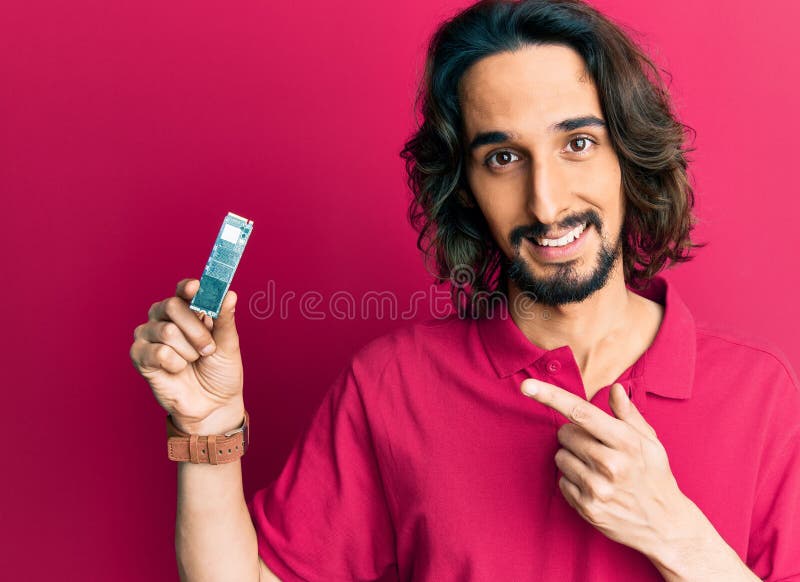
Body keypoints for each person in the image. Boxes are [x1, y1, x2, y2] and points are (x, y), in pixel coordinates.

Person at [130, 0, 800, 580]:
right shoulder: (393, 386)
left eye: (578, 143)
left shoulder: (763, 396)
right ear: (467, 188)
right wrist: (207, 428)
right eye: (503, 158)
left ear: (630, 154)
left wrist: (678, 536)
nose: (545, 202)